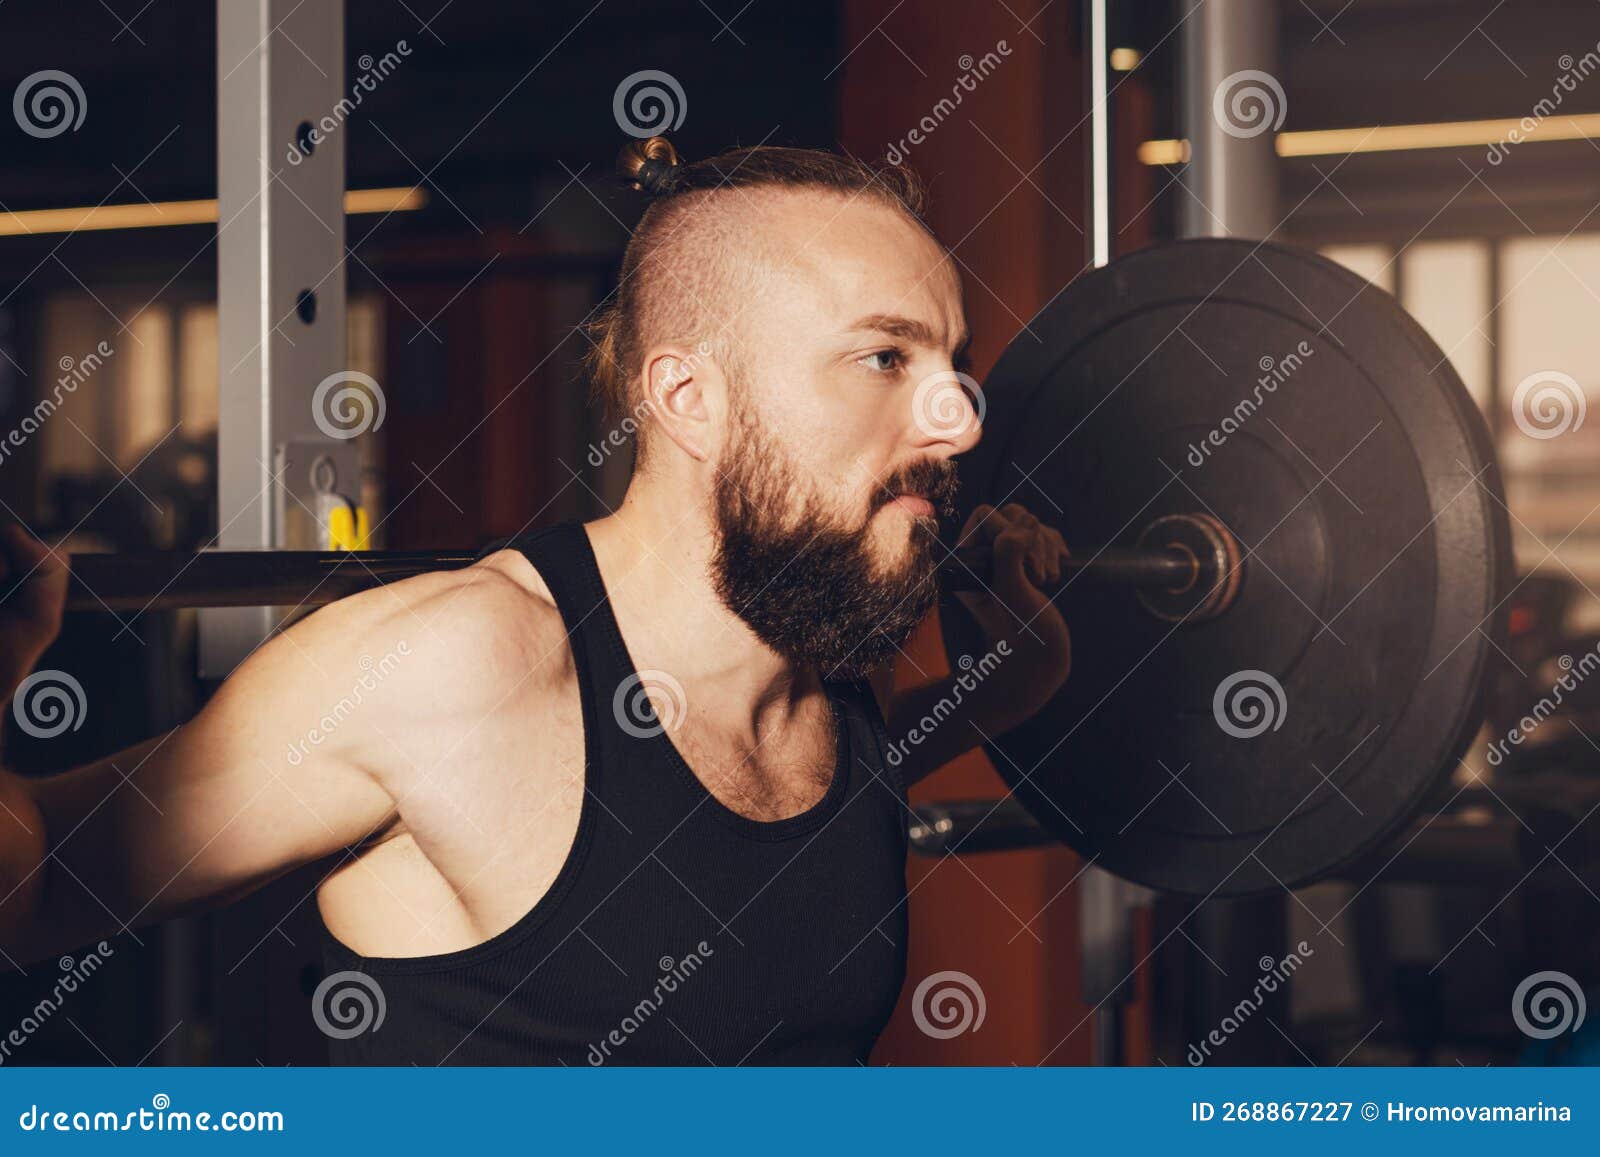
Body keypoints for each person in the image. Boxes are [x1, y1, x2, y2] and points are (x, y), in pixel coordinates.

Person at [0, 137, 1071, 1065]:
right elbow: (39, 881)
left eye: (952, 364)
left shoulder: (812, 675)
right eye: (884, 356)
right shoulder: (453, 666)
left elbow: (755, 833)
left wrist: (1006, 679)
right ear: (688, 397)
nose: (959, 419)